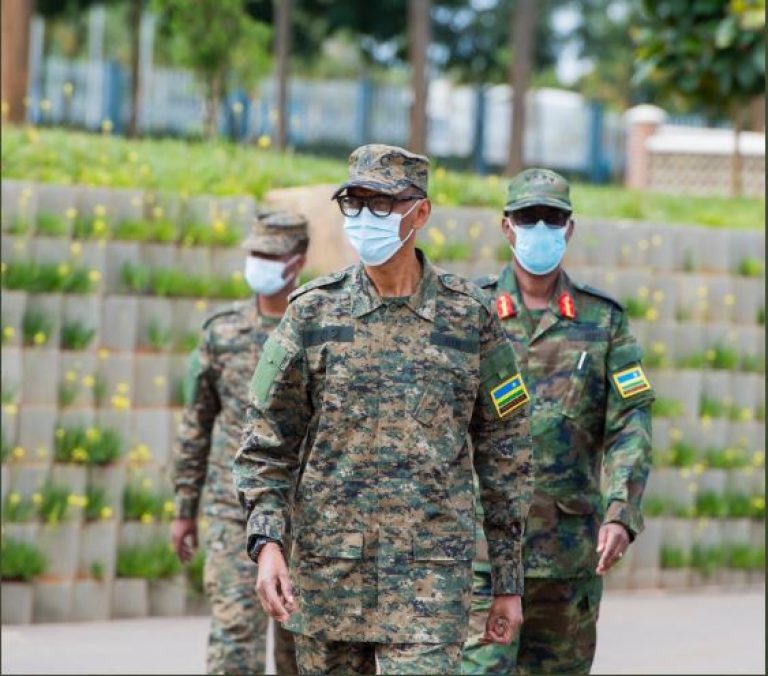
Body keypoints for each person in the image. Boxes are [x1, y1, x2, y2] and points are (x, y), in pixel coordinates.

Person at [233, 144, 534, 675]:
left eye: (381, 204)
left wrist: (508, 581)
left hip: (429, 585)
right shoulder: (312, 313)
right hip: (329, 580)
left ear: (420, 213)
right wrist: (267, 543)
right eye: (355, 204)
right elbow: (266, 442)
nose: (365, 218)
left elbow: (506, 452)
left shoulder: (470, 318)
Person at [462, 168, 655, 675]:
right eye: (529, 217)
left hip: (568, 560)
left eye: (553, 218)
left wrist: (621, 511)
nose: (541, 228)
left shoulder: (603, 320)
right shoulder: (469, 311)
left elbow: (630, 421)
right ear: (507, 227)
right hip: (482, 554)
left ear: (569, 229)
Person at [171, 211, 309, 675]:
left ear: (298, 260)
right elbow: (196, 425)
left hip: (305, 519)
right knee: (234, 646)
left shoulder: (316, 332)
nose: (260, 263)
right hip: (234, 515)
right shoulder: (222, 332)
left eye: (271, 255)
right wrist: (183, 507)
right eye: (255, 253)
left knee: (304, 652)